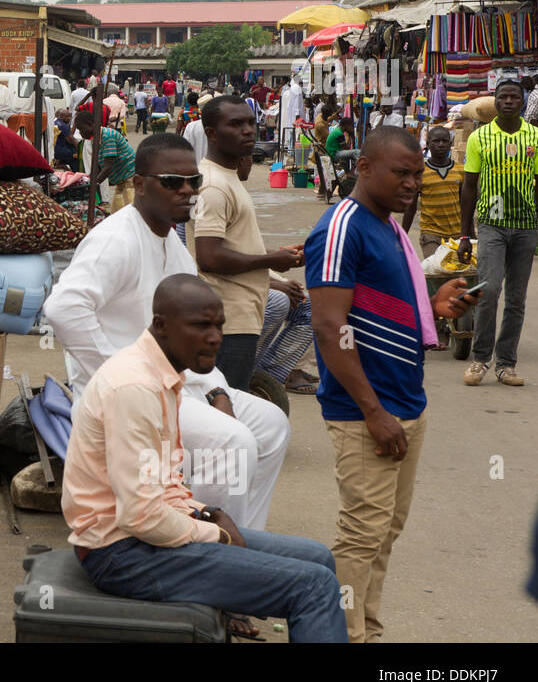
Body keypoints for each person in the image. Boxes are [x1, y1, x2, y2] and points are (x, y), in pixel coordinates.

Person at [64, 273, 347, 643]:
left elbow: (158, 487)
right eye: (201, 326)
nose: (215, 337)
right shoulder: (134, 388)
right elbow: (140, 515)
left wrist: (201, 513)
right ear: (161, 326)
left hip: (145, 537)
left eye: (218, 326)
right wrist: (216, 534)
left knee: (318, 559)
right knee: (314, 587)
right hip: (121, 554)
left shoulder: (161, 377)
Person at [44, 133, 290, 538]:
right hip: (131, 393)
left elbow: (195, 331)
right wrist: (119, 378)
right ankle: (199, 547)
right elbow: (63, 308)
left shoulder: (171, 244)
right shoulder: (115, 238)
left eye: (194, 182)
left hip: (179, 384)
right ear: (140, 185)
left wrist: (217, 390)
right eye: (172, 182)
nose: (187, 191)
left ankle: (244, 539)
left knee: (270, 425)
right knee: (231, 442)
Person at [306, 127, 476, 642]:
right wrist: (373, 412)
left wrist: (436, 302)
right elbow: (330, 325)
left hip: (405, 402)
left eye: (417, 174)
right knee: (361, 535)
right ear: (363, 167)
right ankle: (342, 634)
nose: (411, 183)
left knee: (383, 532)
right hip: (366, 412)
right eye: (400, 172)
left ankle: (366, 628)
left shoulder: (388, 228)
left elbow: (381, 305)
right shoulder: (342, 227)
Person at [189, 94, 305, 389]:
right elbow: (209, 257)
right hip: (228, 318)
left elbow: (230, 245)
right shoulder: (213, 185)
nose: (248, 130)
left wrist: (276, 255)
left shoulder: (227, 178)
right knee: (222, 413)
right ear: (212, 134)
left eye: (251, 123)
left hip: (242, 314)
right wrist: (269, 260)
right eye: (236, 124)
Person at [457, 77, 538, 387]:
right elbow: (469, 186)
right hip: (492, 224)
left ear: (522, 102)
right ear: (495, 103)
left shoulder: (536, 137)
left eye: (513, 97)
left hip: (524, 227)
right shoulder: (479, 138)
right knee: (489, 288)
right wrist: (464, 233)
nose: (508, 101)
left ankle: (506, 364)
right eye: (503, 97)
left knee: (516, 299)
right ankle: (481, 359)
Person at [403, 125, 463, 259]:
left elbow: (465, 206)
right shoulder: (420, 172)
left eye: (444, 141)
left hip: (456, 234)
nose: (441, 144)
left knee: (456, 274)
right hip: (431, 234)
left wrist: (468, 236)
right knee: (436, 269)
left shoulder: (460, 170)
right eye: (436, 141)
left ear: (450, 143)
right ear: (428, 144)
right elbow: (411, 207)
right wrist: (402, 236)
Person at [72, 110, 135, 212]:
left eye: (81, 129)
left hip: (131, 179)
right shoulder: (95, 139)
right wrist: (87, 180)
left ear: (89, 124)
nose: (80, 133)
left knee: (127, 214)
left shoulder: (107, 136)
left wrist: (92, 185)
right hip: (122, 181)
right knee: (117, 213)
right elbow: (97, 166)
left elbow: (108, 168)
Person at [53, 107, 80, 171]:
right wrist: (80, 150)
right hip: (61, 151)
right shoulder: (63, 126)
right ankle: (76, 173)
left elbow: (69, 134)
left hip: (56, 149)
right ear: (61, 117)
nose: (70, 118)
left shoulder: (56, 122)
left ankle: (60, 165)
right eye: (68, 116)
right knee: (76, 158)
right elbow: (72, 141)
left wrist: (75, 122)